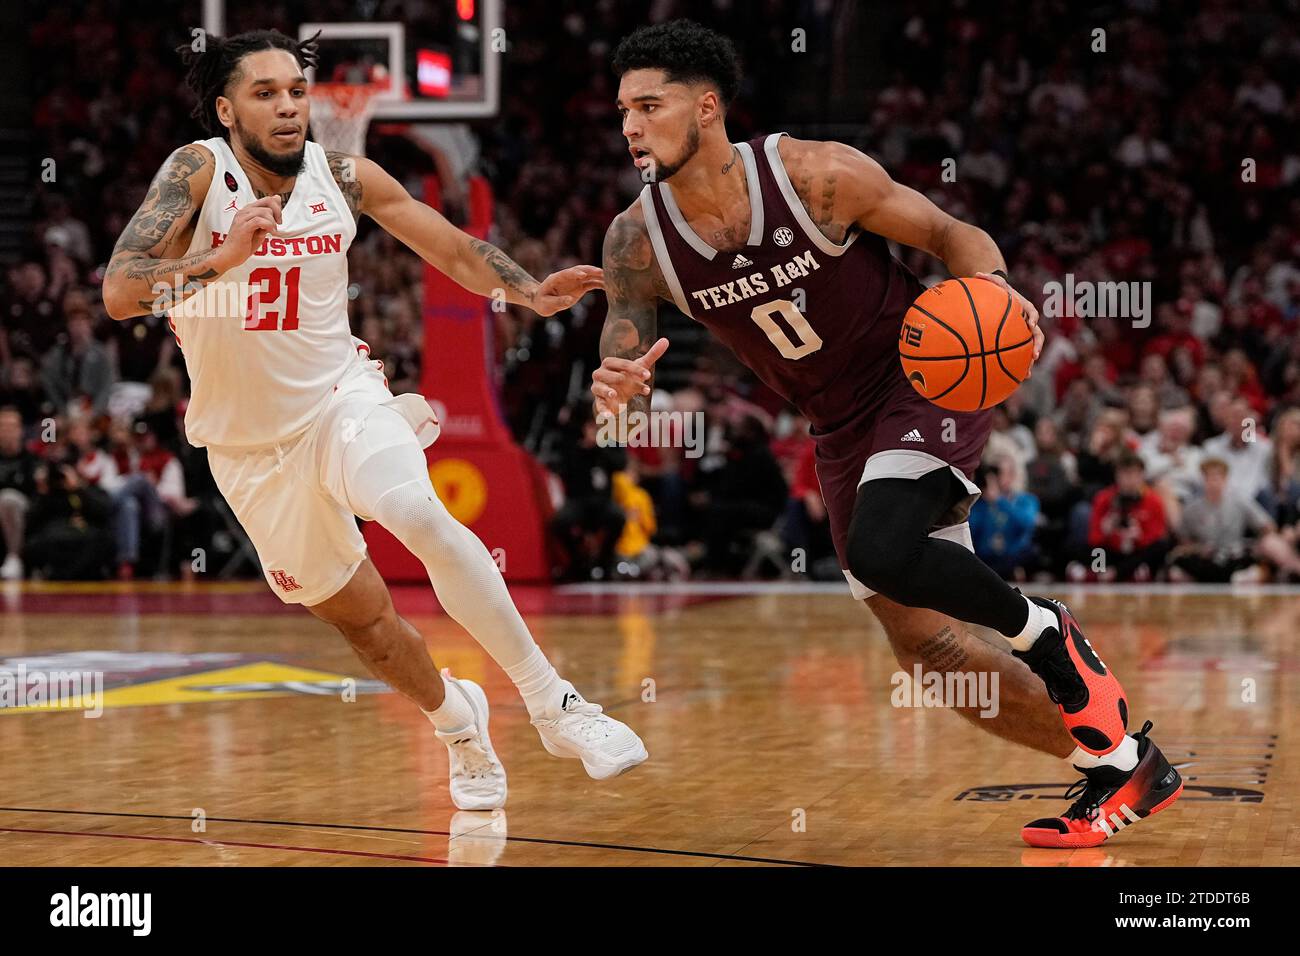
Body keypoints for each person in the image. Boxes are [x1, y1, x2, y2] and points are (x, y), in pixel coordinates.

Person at [590, 20, 1180, 847]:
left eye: (649, 106)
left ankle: (1050, 634)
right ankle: (1123, 762)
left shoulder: (817, 176)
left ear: (709, 106)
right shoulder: (636, 240)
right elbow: (623, 335)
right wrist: (618, 379)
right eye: (622, 110)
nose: (630, 126)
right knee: (929, 651)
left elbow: (949, 236)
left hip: (925, 373)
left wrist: (1000, 295)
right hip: (836, 423)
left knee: (880, 547)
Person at [100, 28, 645, 810]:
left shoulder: (345, 176)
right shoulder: (196, 172)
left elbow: (451, 247)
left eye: (296, 90)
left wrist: (528, 290)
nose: (289, 107)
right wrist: (219, 260)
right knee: (368, 625)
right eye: (266, 93)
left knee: (415, 509)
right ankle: (459, 724)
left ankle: (557, 704)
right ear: (226, 109)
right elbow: (121, 292)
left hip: (341, 398)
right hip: (247, 448)